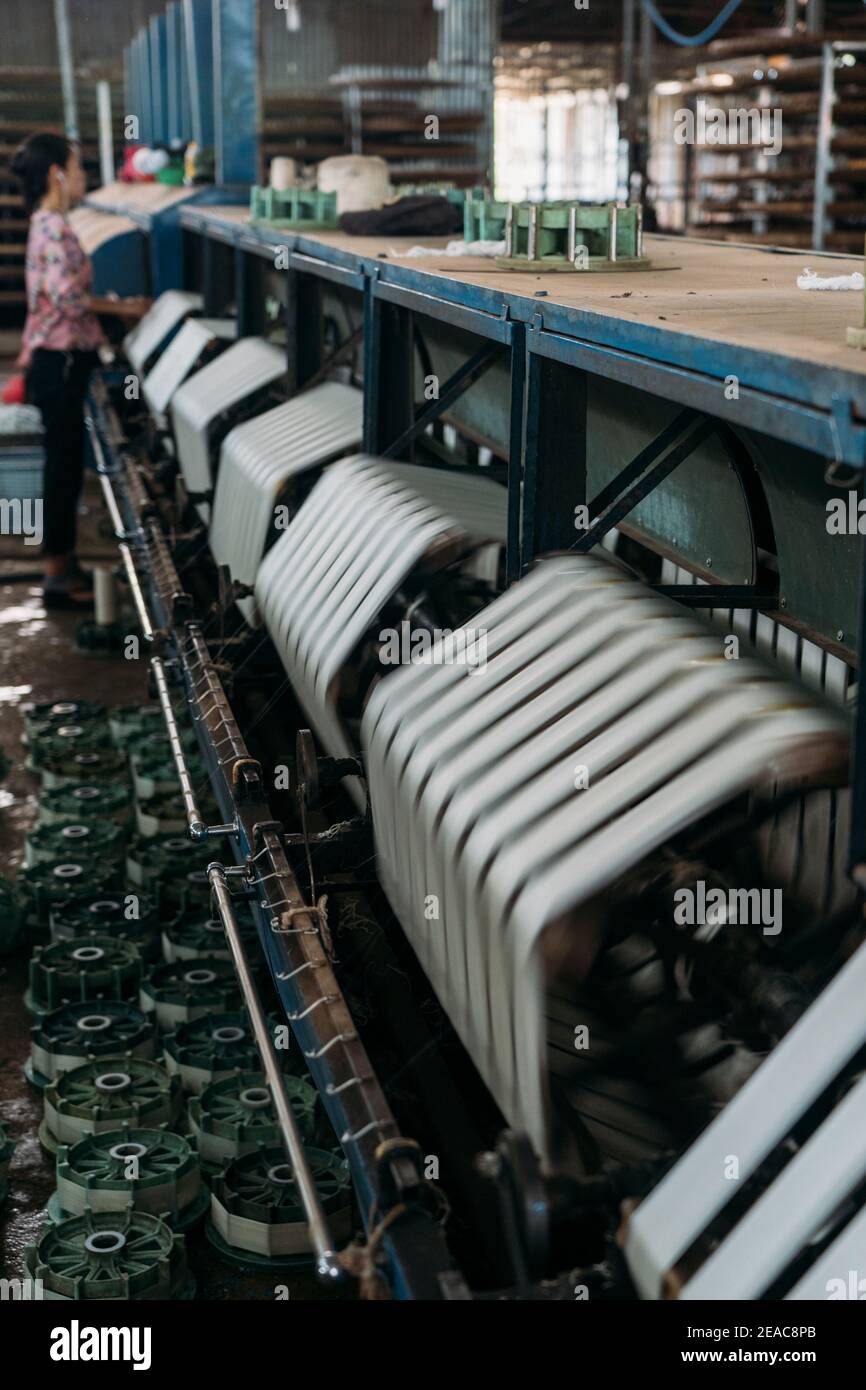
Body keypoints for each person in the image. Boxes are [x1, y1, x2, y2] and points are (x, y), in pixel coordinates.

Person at [11, 132, 149, 608]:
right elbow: (67, 299)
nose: (84, 175)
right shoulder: (53, 227)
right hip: (61, 363)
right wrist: (127, 309)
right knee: (63, 468)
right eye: (79, 166)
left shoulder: (48, 223)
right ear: (57, 175)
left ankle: (62, 565)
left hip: (58, 360)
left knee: (63, 465)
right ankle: (57, 575)